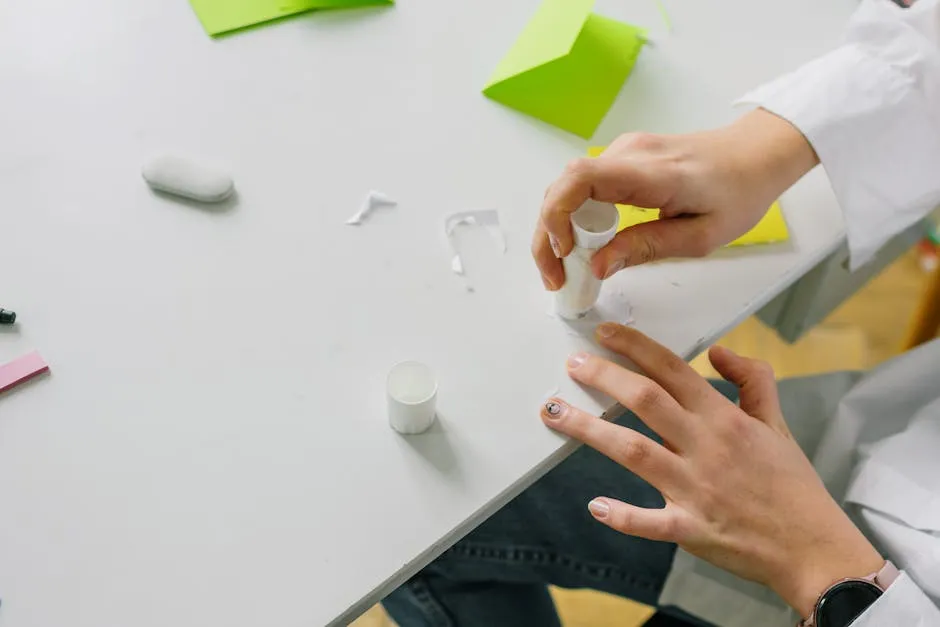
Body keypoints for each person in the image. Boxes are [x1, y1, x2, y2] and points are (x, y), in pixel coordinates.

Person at [382, 0, 940, 625]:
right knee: (430, 520)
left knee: (427, 525)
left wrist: (818, 562)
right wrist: (770, 146)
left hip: (846, 590)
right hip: (870, 464)